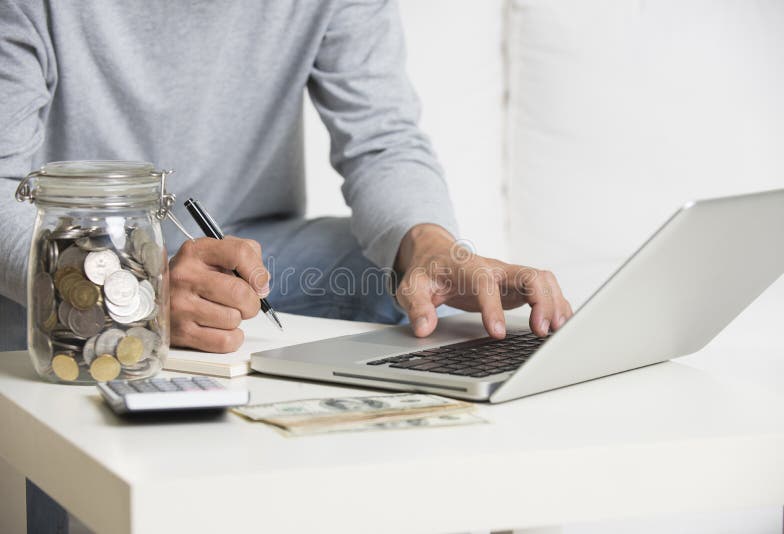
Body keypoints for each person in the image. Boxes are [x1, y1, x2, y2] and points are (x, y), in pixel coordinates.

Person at [0, 0, 572, 356]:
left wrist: (434, 249)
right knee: (58, 335)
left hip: (258, 251)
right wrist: (135, 288)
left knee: (417, 296)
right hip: (82, 252)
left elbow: (382, 139)